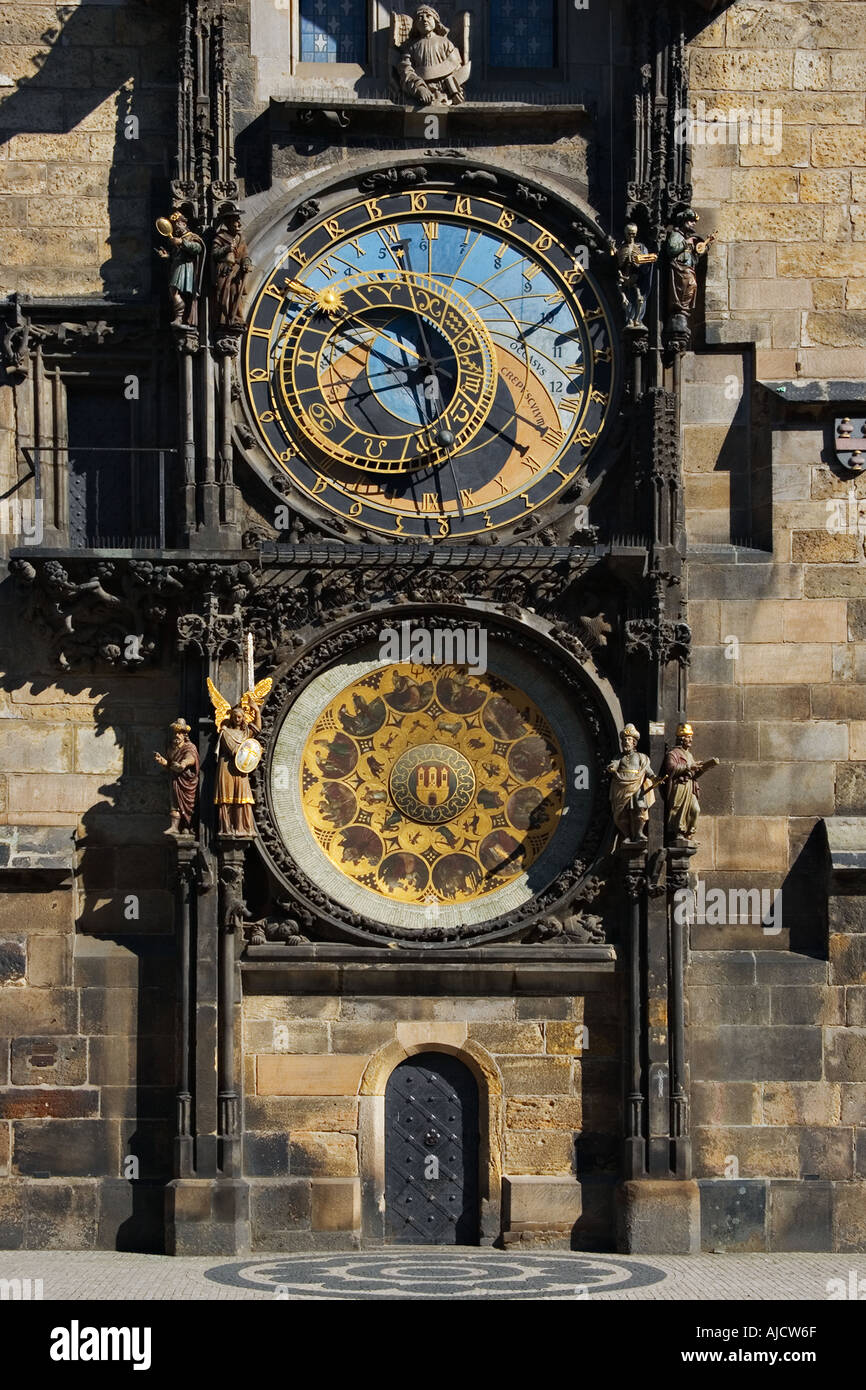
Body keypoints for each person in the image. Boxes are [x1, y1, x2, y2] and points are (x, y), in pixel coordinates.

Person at [661, 722, 719, 842]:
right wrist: (688, 767)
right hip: (680, 786)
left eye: (691, 737)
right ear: (681, 739)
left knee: (695, 809)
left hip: (690, 785)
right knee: (679, 809)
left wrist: (704, 768)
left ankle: (689, 833)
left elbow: (694, 774)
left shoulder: (689, 755)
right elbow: (671, 768)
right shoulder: (673, 754)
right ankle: (679, 833)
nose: (690, 739)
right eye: (688, 737)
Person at [398, 6, 467, 106]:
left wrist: (455, 92)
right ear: (415, 24)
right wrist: (420, 88)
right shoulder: (410, 46)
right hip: (419, 95)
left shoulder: (446, 43)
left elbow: (456, 69)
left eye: (428, 16)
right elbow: (405, 70)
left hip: (444, 95)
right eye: (420, 17)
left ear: (436, 21)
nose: (425, 19)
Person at [155, 211, 204, 327]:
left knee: (174, 291)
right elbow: (175, 256)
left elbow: (198, 248)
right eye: (174, 225)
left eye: (178, 224)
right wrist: (167, 256)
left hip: (185, 267)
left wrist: (182, 242)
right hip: (177, 266)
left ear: (183, 223)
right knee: (174, 292)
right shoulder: (177, 239)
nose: (176, 227)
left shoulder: (191, 236)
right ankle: (180, 317)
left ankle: (179, 317)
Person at [608, 723, 655, 841]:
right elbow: (614, 764)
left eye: (628, 739)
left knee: (640, 807)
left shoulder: (641, 757)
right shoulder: (619, 757)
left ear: (634, 742)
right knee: (622, 812)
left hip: (637, 784)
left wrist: (654, 777)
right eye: (624, 740)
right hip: (622, 786)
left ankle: (639, 833)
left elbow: (647, 770)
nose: (626, 742)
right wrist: (611, 768)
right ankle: (626, 835)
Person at [209, 203, 252, 330]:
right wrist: (227, 248)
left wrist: (246, 262)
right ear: (228, 223)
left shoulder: (240, 238)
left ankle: (237, 318)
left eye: (239, 221)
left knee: (236, 294)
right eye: (236, 221)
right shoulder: (220, 237)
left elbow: (245, 255)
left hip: (237, 271)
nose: (239, 224)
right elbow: (214, 254)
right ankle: (225, 318)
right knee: (224, 295)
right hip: (225, 270)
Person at [154, 718, 199, 834]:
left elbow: (191, 758)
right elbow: (170, 765)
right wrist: (163, 761)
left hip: (187, 781)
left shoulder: (189, 747)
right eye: (175, 733)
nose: (177, 735)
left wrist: (183, 764)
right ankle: (174, 827)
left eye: (179, 733)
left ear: (184, 735)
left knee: (188, 805)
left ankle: (188, 826)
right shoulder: (170, 749)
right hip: (175, 780)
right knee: (175, 804)